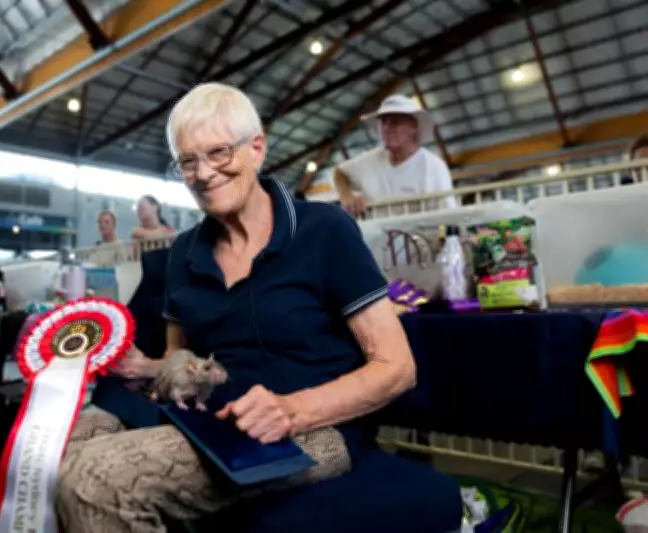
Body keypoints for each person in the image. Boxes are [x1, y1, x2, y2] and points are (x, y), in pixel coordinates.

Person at [56, 83, 445, 532]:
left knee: (95, 480)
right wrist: (145, 367)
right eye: (188, 161)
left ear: (256, 149)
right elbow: (182, 359)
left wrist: (293, 410)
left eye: (219, 152)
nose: (203, 173)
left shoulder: (324, 230)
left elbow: (396, 367)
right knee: (60, 444)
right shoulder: (184, 252)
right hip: (210, 421)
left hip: (315, 431)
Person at [334, 94, 456, 217]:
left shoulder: (433, 167)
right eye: (383, 122)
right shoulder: (370, 160)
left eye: (395, 122)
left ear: (414, 127)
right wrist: (346, 196)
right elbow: (340, 172)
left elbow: (448, 216)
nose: (386, 128)